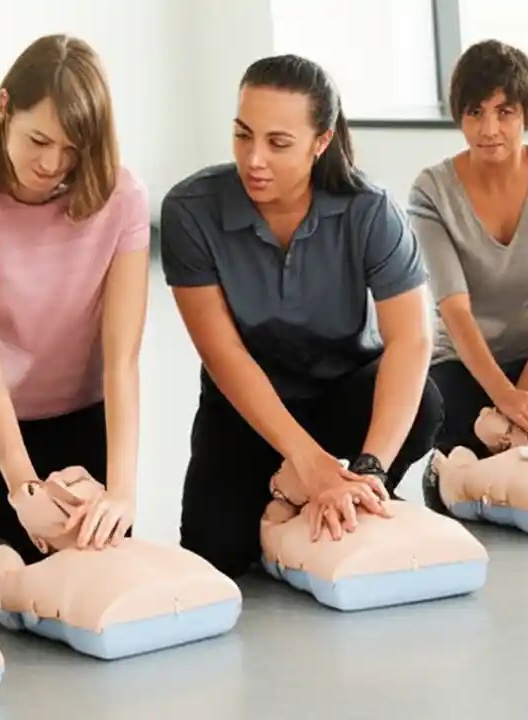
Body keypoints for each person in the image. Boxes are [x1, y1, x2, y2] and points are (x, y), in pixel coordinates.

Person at [160, 54, 443, 579]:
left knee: (423, 403)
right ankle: (292, 486)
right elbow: (223, 354)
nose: (254, 159)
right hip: (248, 406)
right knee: (214, 552)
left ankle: (355, 490)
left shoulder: (370, 209)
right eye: (243, 135)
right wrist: (308, 465)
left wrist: (368, 466)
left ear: (321, 141)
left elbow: (411, 341)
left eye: (278, 142)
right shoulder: (190, 210)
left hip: (341, 394)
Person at [0, 34, 150, 567]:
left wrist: (122, 492)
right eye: (39, 140)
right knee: (5, 571)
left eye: (73, 149)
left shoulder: (123, 196)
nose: (53, 165)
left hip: (82, 412)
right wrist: (23, 488)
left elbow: (121, 360)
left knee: (96, 572)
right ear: (4, 108)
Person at [408, 39, 528, 460]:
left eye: (504, 112)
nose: (488, 129)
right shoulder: (431, 190)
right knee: (466, 456)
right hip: (463, 361)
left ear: (527, 115)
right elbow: (453, 311)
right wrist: (506, 399)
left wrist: (527, 393)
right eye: (475, 112)